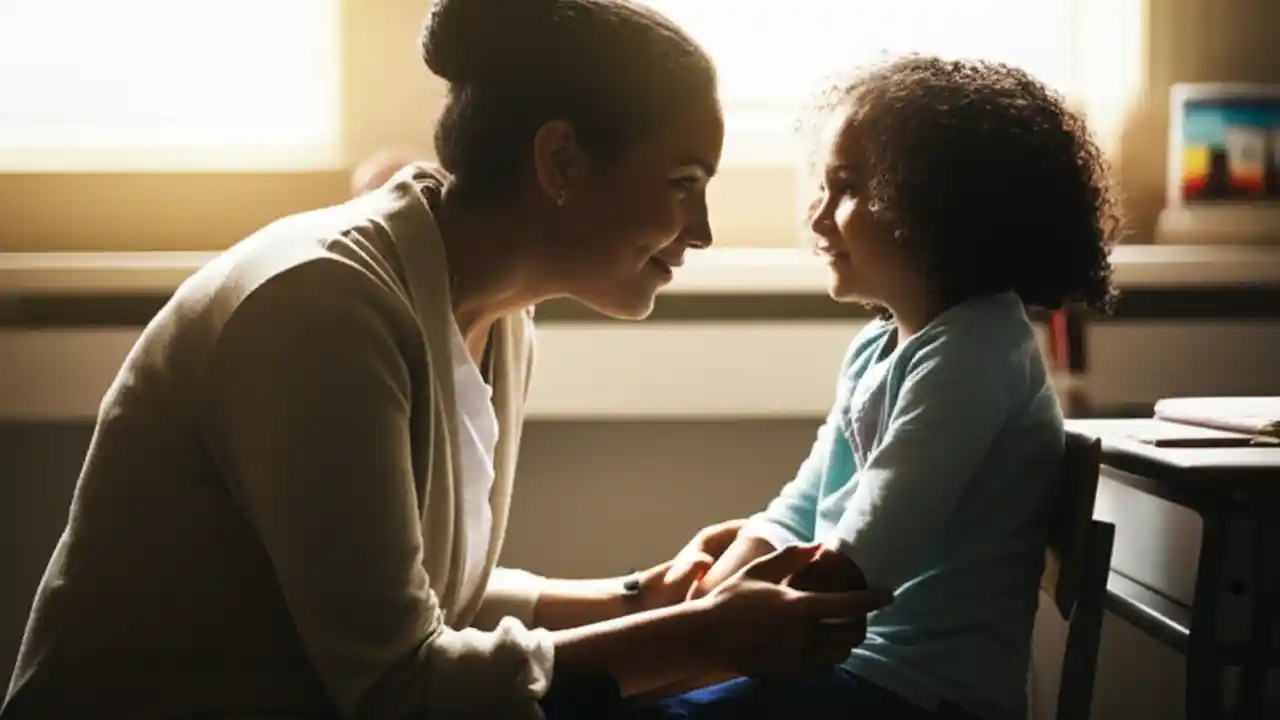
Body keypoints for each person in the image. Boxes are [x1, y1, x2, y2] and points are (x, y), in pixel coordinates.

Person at [0, 1, 891, 718]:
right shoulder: (322, 312)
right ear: (561, 160)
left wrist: (644, 597)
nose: (701, 231)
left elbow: (413, 599)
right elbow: (401, 688)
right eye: (684, 184)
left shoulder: (491, 312)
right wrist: (708, 638)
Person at [634, 56, 1121, 720]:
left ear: (932, 202)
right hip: (849, 674)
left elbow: (863, 560)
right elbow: (803, 504)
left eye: (846, 188)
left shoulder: (977, 353)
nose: (817, 219)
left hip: (916, 695)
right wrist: (712, 598)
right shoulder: (878, 347)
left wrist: (689, 643)